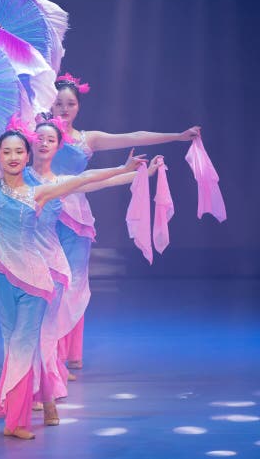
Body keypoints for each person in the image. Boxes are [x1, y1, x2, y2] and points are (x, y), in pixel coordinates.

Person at [0, 81, 145, 440]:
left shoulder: (40, 190)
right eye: (6, 152)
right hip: (2, 278)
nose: (13, 157)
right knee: (14, 344)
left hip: (41, 278)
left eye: (19, 152)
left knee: (34, 342)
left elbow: (87, 178)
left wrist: (124, 168)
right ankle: (21, 405)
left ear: (27, 156)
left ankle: (29, 411)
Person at [50, 72, 199, 371]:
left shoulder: (87, 138)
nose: (64, 109)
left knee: (74, 282)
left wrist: (177, 136)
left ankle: (68, 352)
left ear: (78, 107)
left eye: (70, 103)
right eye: (58, 103)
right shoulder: (39, 135)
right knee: (52, 282)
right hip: (46, 211)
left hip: (77, 214)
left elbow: (133, 137)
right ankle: (49, 353)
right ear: (49, 105)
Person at [25, 118, 164, 419]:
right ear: (31, 142)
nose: (44, 143)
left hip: (51, 266)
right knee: (25, 332)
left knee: (44, 330)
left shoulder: (60, 183)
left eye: (51, 140)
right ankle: (30, 390)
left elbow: (94, 178)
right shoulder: (17, 179)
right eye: (40, 138)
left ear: (58, 145)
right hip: (22, 264)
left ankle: (44, 391)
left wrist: (133, 172)